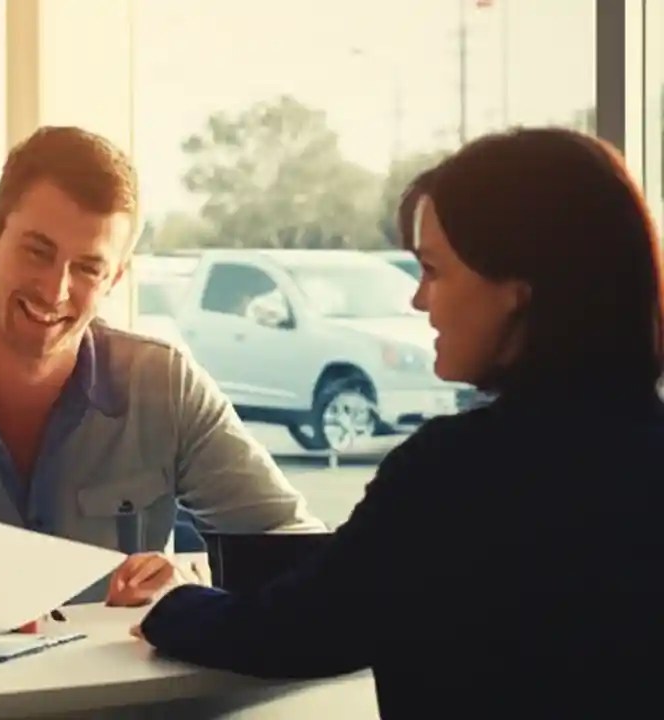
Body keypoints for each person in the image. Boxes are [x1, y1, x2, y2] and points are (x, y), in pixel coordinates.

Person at [136, 128, 664, 717]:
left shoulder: (460, 474)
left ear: (517, 289)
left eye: (434, 271)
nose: (418, 300)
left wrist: (170, 602)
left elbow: (291, 631)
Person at [0, 126, 323, 606]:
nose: (55, 289)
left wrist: (195, 575)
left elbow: (295, 544)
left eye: (88, 267)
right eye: (37, 251)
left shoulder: (164, 386)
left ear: (116, 277)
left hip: (135, 690)